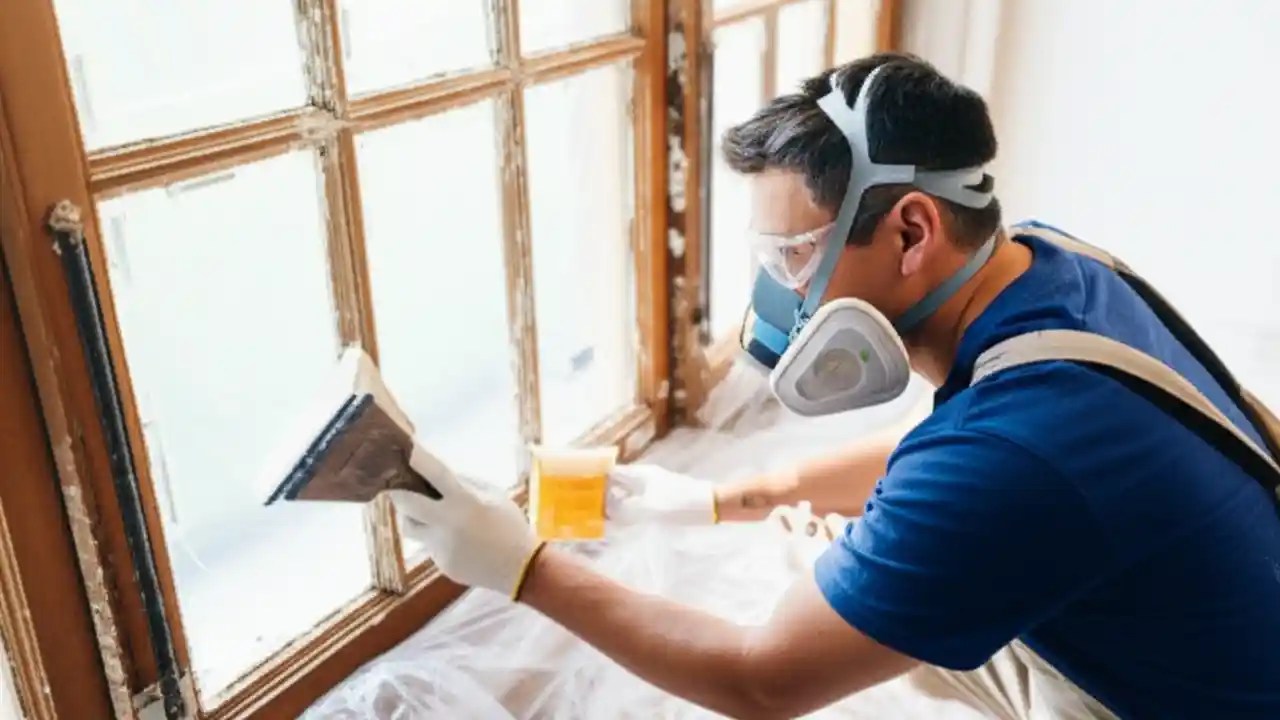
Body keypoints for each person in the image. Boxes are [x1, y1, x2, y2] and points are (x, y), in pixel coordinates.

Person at [389, 53, 1280, 719]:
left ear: (911, 231)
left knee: (792, 624)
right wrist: (720, 499)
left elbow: (760, 677)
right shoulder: (1047, 265)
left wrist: (522, 568)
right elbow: (960, 458)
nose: (776, 295)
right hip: (1203, 620)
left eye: (793, 255)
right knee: (801, 563)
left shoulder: (1015, 451)